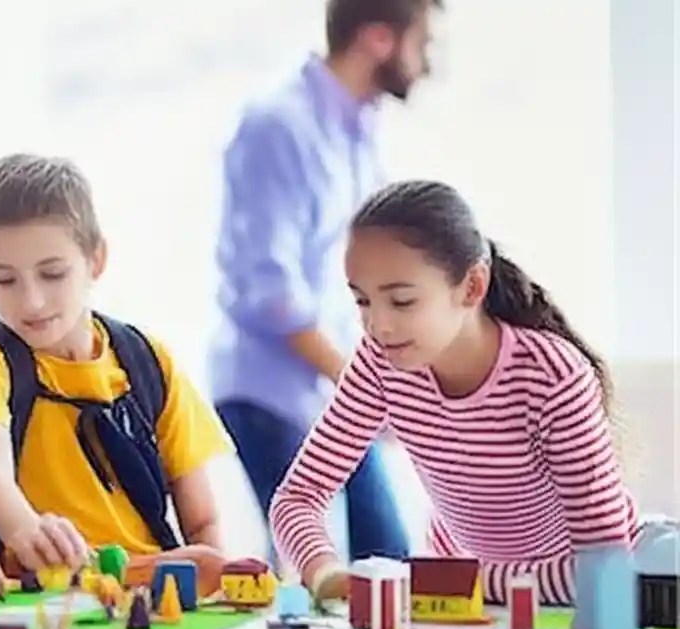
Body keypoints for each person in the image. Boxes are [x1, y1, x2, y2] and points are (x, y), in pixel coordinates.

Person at [269, 180, 640, 605]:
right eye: (363, 302)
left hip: (574, 600)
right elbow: (297, 498)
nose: (378, 326)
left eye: (402, 302)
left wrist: (454, 583)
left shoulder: (551, 376)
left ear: (471, 287)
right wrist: (325, 573)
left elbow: (606, 566)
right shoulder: (379, 362)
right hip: (456, 600)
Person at [209, 0, 442, 562]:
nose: (428, 64)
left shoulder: (358, 130)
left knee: (390, 559)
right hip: (270, 393)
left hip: (330, 389)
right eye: (422, 44)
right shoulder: (279, 125)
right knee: (315, 565)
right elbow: (269, 292)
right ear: (380, 39)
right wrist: (366, 387)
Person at [0, 153, 232, 573]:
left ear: (95, 260)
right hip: (47, 581)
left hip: (151, 581)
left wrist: (216, 585)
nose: (31, 301)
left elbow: (202, 519)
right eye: (4, 280)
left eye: (53, 274)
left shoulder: (148, 360)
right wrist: (27, 530)